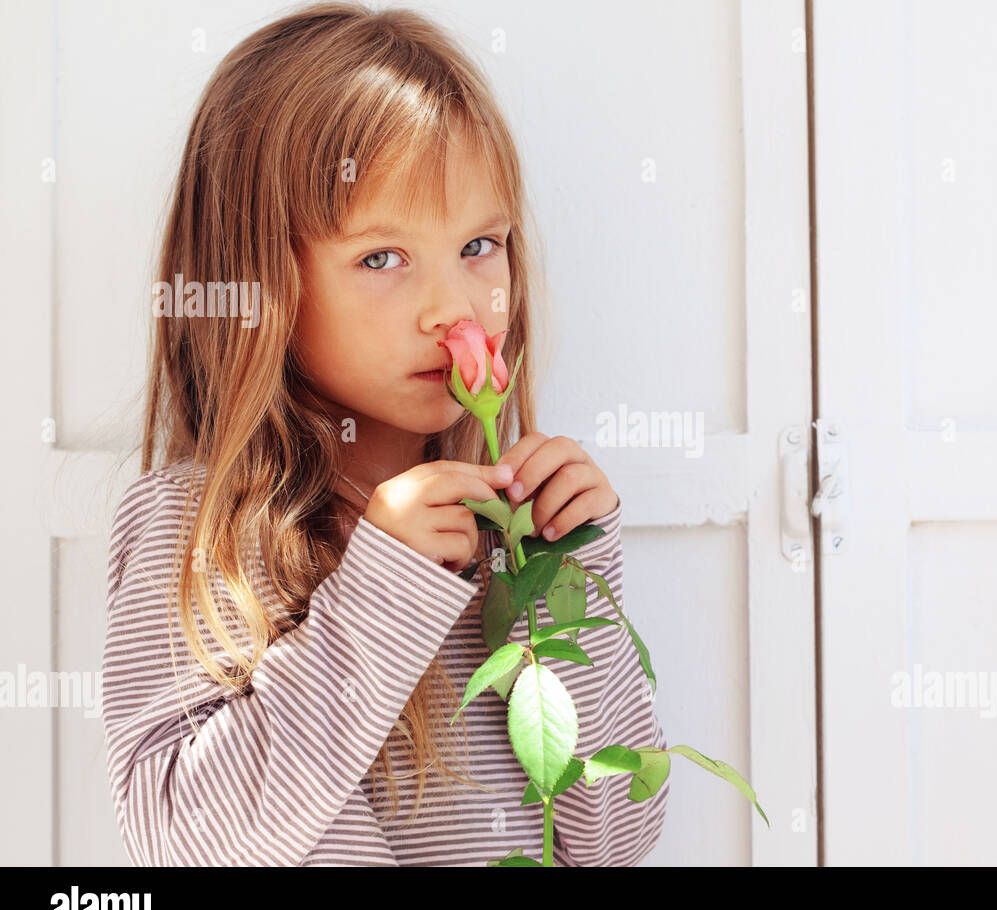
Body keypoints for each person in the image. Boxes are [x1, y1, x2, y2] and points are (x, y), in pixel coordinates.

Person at [101, 1, 668, 866]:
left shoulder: (515, 539)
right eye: (381, 259)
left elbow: (616, 840)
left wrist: (570, 588)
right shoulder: (198, 533)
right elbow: (189, 841)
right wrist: (380, 594)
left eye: (480, 244)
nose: (455, 307)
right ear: (260, 287)